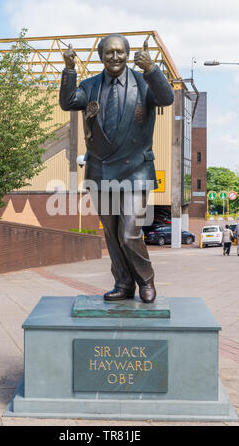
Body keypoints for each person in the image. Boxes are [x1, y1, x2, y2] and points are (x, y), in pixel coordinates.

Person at [59, 34, 174, 303]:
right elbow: (67, 103)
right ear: (101, 56)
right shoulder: (90, 86)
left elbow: (167, 99)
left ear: (128, 54)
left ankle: (146, 280)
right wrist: (69, 69)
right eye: (109, 52)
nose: (115, 57)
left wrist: (151, 69)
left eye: (120, 52)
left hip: (136, 171)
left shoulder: (144, 82)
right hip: (101, 170)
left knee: (130, 233)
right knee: (111, 234)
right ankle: (123, 283)